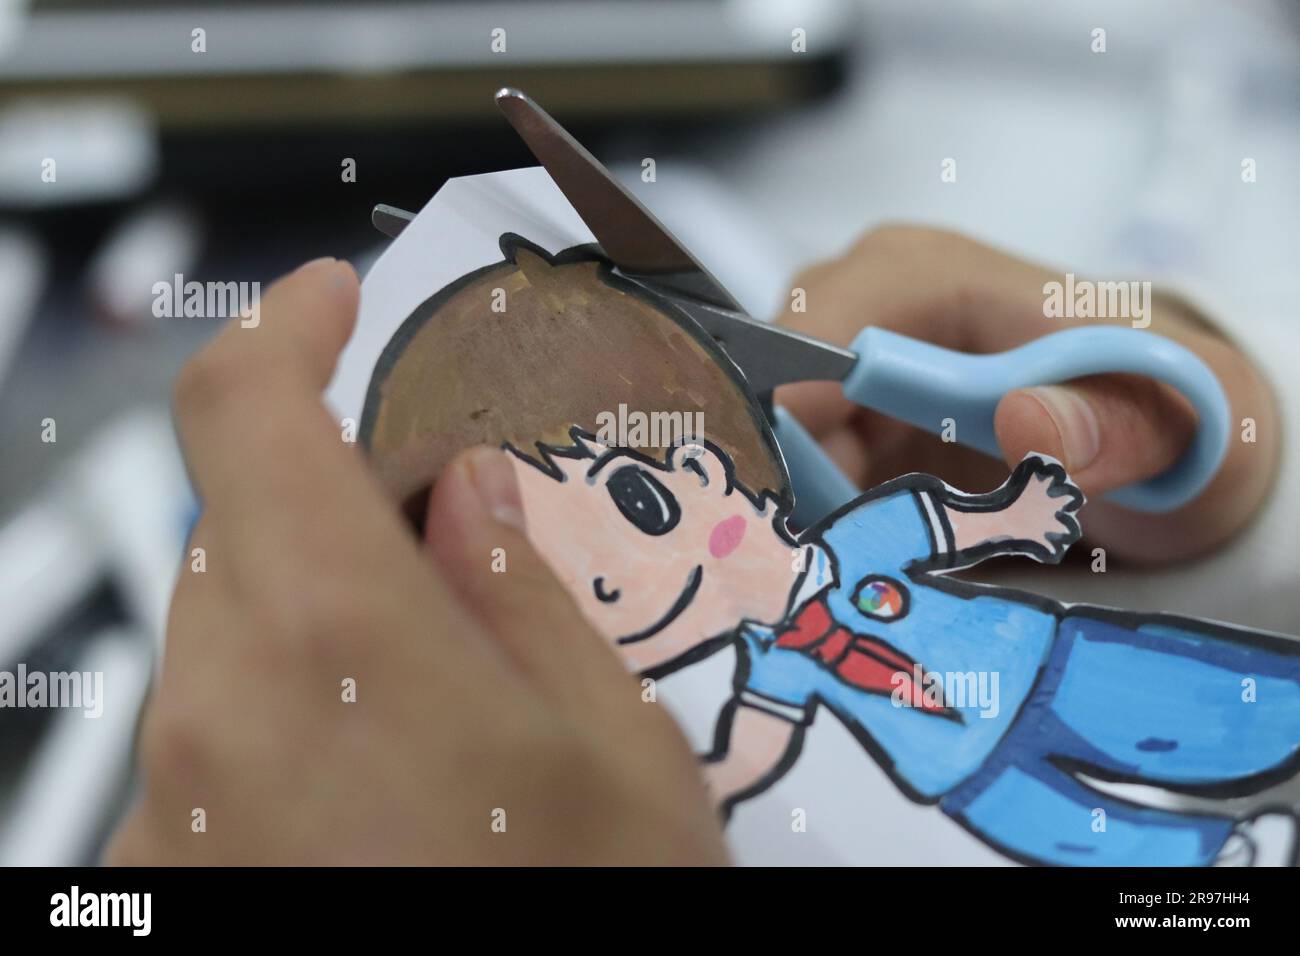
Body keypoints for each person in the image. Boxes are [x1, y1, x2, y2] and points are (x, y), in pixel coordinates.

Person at [106, 227, 1286, 865]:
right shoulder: (764, 673)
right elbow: (747, 749)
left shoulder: (859, 532)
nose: (664, 555)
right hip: (958, 772)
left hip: (1043, 659)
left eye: (646, 495)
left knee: (1206, 700)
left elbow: (934, 517)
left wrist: (1173, 523)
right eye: (603, 590)